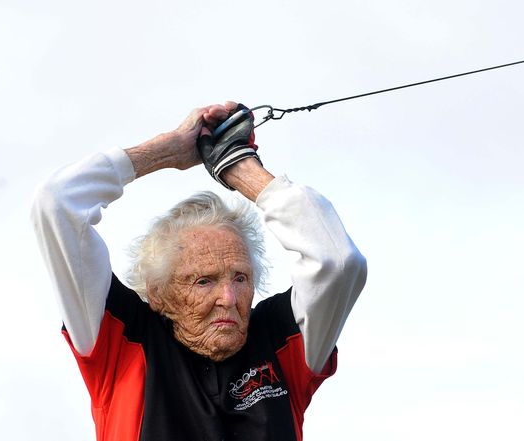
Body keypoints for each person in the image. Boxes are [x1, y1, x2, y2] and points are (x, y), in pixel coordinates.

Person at [30, 101, 367, 441]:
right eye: (204, 281)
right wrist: (166, 151)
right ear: (158, 293)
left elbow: (338, 261)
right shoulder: (120, 343)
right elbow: (57, 204)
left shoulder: (280, 342)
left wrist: (240, 169)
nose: (229, 298)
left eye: (241, 277)